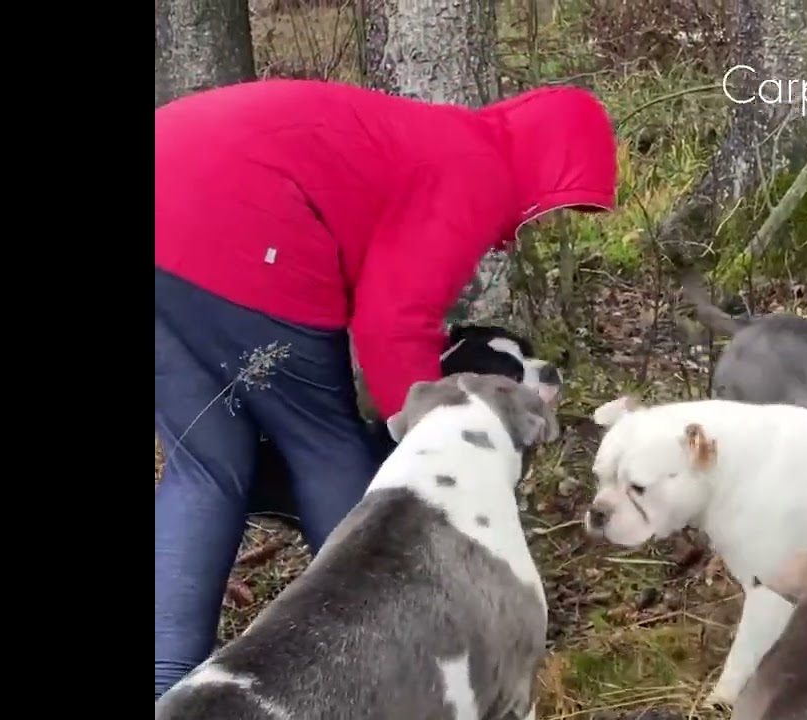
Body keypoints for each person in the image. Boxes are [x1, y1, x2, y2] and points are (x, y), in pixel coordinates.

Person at [154, 78, 619, 699]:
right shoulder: (476, 171)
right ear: (550, 162)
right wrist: (431, 443)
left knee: (207, 471)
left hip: (173, 197)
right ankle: (395, 650)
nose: (544, 219)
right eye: (559, 203)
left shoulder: (444, 142)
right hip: (235, 221)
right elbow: (393, 324)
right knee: (328, 448)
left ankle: (163, 680)